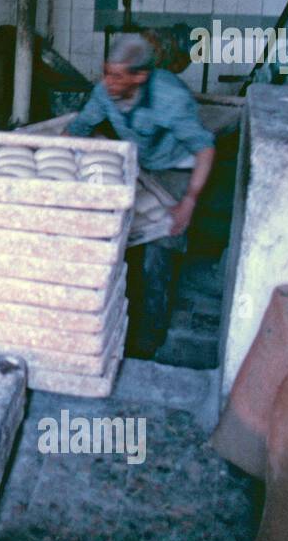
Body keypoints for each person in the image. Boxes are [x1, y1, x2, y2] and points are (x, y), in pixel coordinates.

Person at [67, 36, 216, 357]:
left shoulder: (170, 98)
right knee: (116, 233)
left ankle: (150, 337)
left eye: (117, 76)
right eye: (106, 72)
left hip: (176, 167)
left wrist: (188, 201)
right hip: (137, 162)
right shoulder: (105, 92)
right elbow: (79, 127)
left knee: (161, 244)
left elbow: (204, 149)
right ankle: (112, 326)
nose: (107, 82)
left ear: (140, 76)